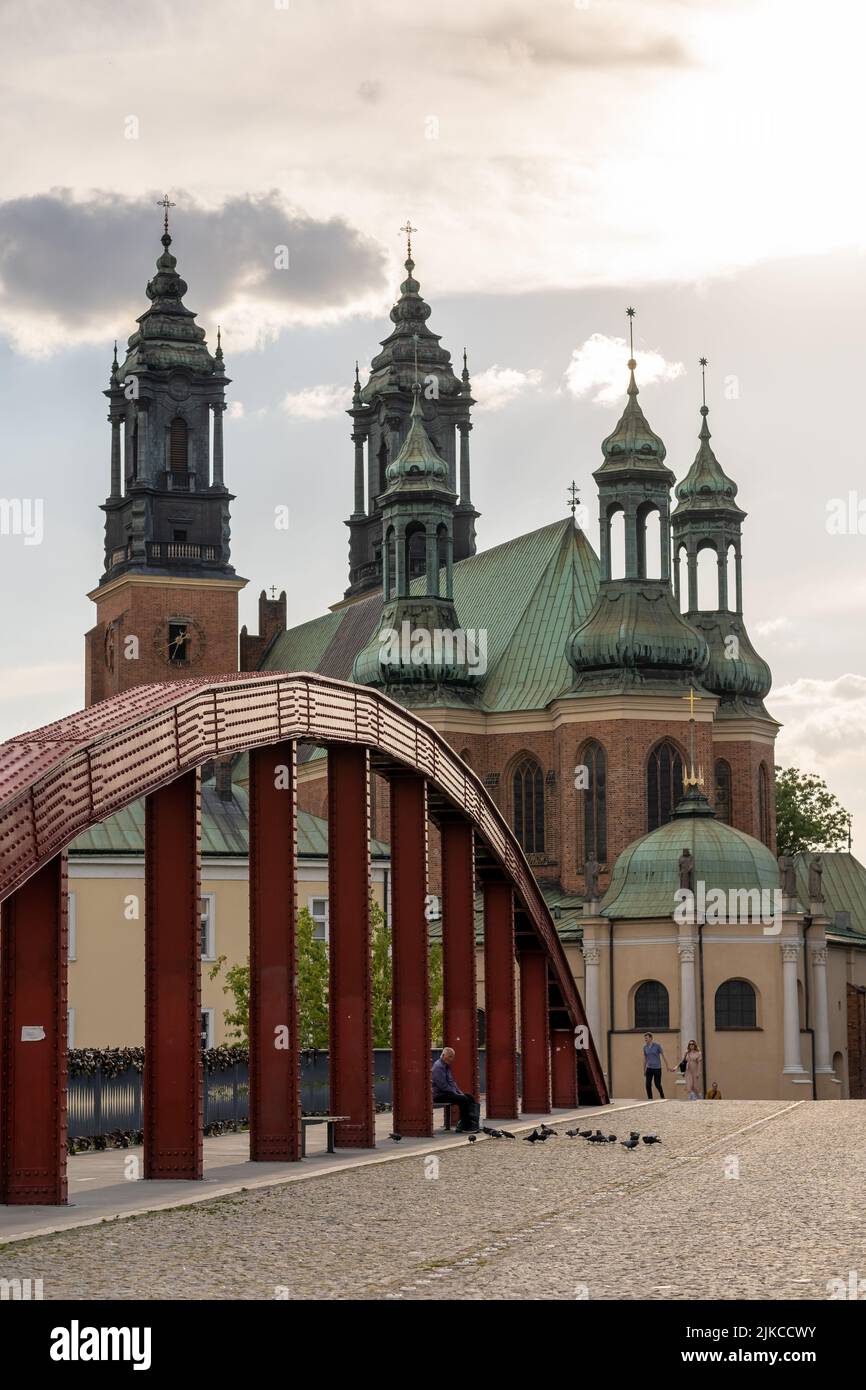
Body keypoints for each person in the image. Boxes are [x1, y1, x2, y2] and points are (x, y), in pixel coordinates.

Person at [431, 1047, 480, 1132]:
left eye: (452, 1057)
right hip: (439, 1095)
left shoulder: (446, 1066)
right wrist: (456, 1094)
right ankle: (464, 1125)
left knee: (469, 1097)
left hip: (446, 1093)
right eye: (449, 1056)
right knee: (463, 1099)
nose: (451, 1059)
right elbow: (443, 1085)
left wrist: (459, 1092)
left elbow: (451, 1082)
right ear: (443, 1055)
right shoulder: (438, 1067)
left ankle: (473, 1123)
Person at [642, 1033, 671, 1100]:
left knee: (657, 1084)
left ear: (651, 1038)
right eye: (645, 1038)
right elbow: (645, 1058)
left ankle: (662, 1096)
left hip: (657, 1068)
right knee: (647, 1084)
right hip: (649, 1068)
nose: (645, 1039)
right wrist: (644, 1069)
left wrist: (667, 1066)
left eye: (647, 1038)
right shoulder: (645, 1047)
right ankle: (650, 1098)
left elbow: (663, 1056)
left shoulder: (657, 1046)